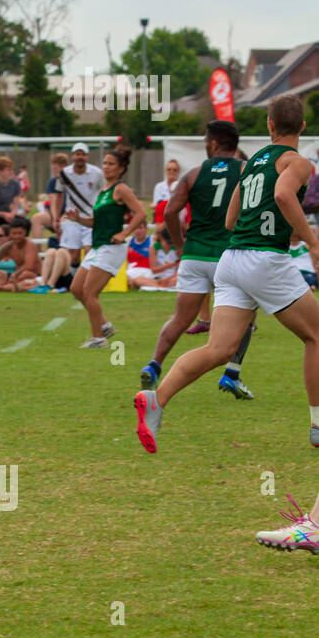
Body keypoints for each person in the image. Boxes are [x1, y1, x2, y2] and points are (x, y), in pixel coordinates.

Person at [135, 96, 319, 470]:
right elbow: (284, 194)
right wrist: (311, 241)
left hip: (231, 260)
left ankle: (157, 399)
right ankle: (317, 424)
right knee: (316, 336)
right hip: (264, 259)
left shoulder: (252, 163)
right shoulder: (298, 162)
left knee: (218, 348)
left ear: (269, 125)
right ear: (301, 127)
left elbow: (233, 219)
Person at [137, 121, 255, 397]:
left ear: (213, 143)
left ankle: (154, 365)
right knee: (246, 317)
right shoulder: (245, 171)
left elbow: (169, 214)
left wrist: (180, 246)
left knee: (180, 318)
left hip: (194, 256)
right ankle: (231, 374)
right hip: (229, 257)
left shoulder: (192, 174)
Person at [64, 147, 146, 348]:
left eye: (111, 164)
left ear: (120, 169)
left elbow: (141, 213)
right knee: (76, 289)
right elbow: (96, 222)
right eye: (105, 163)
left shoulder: (121, 189)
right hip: (98, 247)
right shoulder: (103, 192)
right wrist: (79, 219)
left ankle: (98, 339)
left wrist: (124, 233)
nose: (106, 167)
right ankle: (105, 325)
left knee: (90, 292)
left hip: (111, 248)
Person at [56, 142, 105, 265]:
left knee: (89, 252)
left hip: (90, 218)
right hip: (71, 218)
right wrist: (56, 218)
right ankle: (72, 283)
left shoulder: (97, 173)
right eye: (77, 154)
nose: (80, 157)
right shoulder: (64, 174)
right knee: (73, 254)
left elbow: (104, 192)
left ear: (87, 157)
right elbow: (59, 196)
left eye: (83, 155)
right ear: (72, 156)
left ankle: (87, 283)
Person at [0, 217, 40, 292]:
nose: (17, 236)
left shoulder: (30, 245)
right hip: (16, 277)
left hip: (35, 276)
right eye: (14, 233)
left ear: (25, 233)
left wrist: (14, 275)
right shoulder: (8, 246)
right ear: (10, 233)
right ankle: (3, 285)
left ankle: (0, 287)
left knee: (26, 274)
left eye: (20, 233)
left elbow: (29, 266)